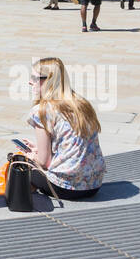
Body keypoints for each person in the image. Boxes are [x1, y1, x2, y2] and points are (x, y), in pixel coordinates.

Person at [17, 57, 105, 199]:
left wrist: (32, 157)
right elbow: (71, 147)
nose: (29, 82)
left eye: (34, 78)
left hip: (65, 187)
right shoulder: (81, 104)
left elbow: (44, 162)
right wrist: (39, 150)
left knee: (19, 164)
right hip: (94, 184)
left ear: (48, 80)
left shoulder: (42, 111)